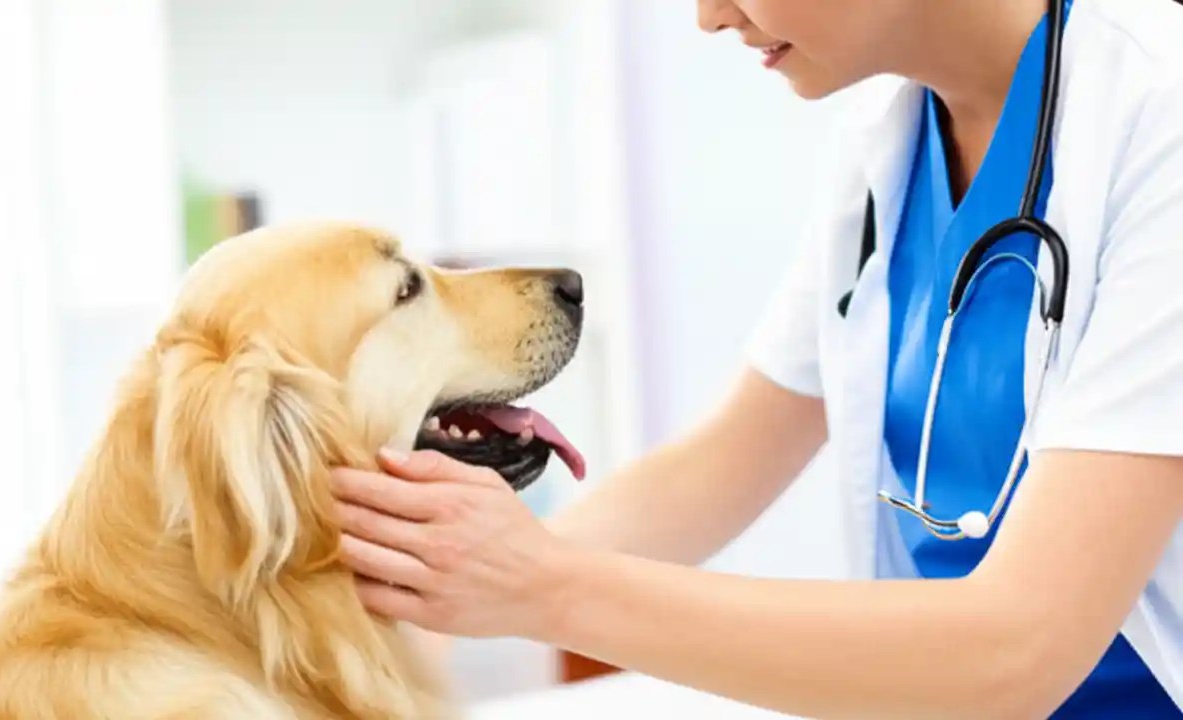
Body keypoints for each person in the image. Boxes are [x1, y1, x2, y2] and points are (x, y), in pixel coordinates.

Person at [325, 0, 1183, 716]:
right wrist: (420, 587)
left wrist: (544, 586)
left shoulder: (1158, 116)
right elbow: (720, 467)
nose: (709, 16)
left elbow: (1021, 650)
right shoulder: (883, 145)